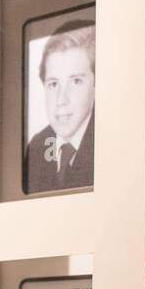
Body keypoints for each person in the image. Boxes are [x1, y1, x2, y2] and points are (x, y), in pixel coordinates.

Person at [24, 21, 96, 194]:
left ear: (96, 86)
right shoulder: (36, 147)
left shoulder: (110, 144)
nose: (61, 100)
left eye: (76, 81)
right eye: (53, 84)